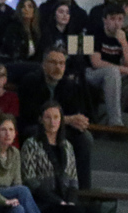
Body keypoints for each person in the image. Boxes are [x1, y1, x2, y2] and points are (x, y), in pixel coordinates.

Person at [17, 48, 94, 190]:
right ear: (43, 65)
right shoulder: (31, 81)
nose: (58, 67)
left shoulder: (70, 85)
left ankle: (83, 190)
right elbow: (29, 114)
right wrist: (68, 119)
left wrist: (79, 121)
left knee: (85, 138)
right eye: (53, 63)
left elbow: (79, 111)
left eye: (61, 63)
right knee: (34, 133)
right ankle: (41, 185)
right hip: (35, 126)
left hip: (61, 130)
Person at [22, 101, 87, 213]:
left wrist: (69, 201)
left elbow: (73, 180)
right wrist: (59, 201)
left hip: (64, 200)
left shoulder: (67, 146)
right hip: (43, 202)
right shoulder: (31, 144)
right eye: (48, 117)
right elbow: (30, 181)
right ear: (41, 120)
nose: (52, 122)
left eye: (56, 117)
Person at [0, 0, 42, 84]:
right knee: (37, 69)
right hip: (10, 64)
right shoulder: (13, 28)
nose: (26, 9)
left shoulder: (35, 32)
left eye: (30, 6)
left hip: (27, 66)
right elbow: (14, 53)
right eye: (23, 6)